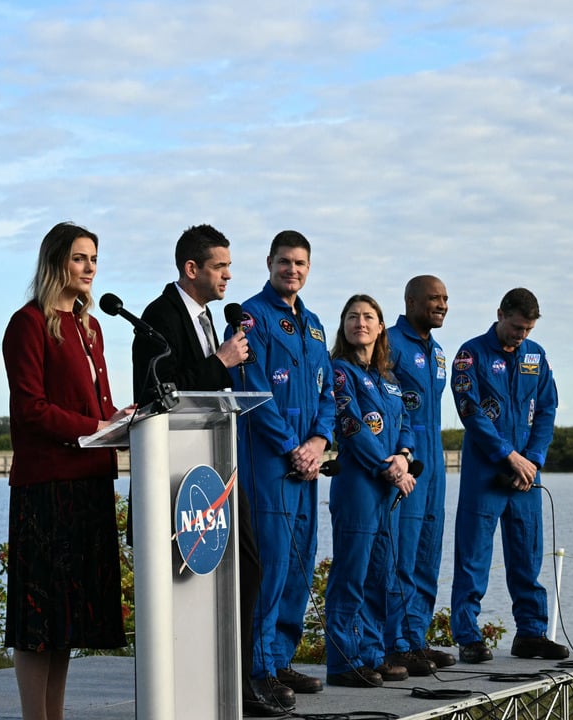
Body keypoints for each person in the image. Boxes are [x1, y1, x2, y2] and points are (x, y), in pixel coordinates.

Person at [131, 224, 287, 716]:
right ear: (191, 268)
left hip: (216, 464)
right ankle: (195, 691)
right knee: (192, 582)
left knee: (247, 567)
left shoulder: (208, 318)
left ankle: (235, 688)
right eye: (220, 266)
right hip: (175, 478)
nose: (228, 276)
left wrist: (223, 365)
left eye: (229, 266)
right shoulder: (159, 317)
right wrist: (221, 360)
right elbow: (157, 391)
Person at [1, 222, 135, 720]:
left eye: (94, 258)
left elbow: (93, 408)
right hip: (47, 488)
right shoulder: (28, 323)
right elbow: (30, 409)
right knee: (40, 622)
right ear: (56, 262)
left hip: (90, 483)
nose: (90, 267)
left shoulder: (90, 326)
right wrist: (96, 426)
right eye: (80, 258)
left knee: (66, 623)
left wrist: (119, 420)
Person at [228, 230, 334, 697]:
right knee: (269, 565)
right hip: (269, 462)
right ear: (269, 263)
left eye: (300, 263)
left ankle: (282, 659)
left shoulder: (315, 325)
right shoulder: (252, 317)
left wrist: (319, 442)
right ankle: (258, 668)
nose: (293, 270)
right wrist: (294, 446)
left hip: (308, 463)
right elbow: (252, 393)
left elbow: (329, 392)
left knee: (299, 562)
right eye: (285, 262)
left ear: (309, 268)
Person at [450, 288, 566, 664]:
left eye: (528, 329)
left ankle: (531, 633)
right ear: (500, 314)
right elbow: (470, 411)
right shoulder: (470, 355)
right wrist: (508, 456)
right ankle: (469, 637)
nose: (521, 335)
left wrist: (532, 459)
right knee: (473, 558)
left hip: (526, 475)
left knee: (527, 556)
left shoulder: (536, 356)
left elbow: (547, 409)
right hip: (486, 472)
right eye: (517, 327)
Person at [324, 294, 415, 687]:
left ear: (380, 327)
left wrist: (405, 457)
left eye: (367, 317)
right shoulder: (340, 372)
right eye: (352, 316)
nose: (360, 322)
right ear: (343, 326)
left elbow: (406, 423)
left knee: (380, 573)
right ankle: (344, 660)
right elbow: (351, 425)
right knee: (352, 573)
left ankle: (373, 653)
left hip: (387, 487)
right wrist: (388, 468)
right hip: (359, 484)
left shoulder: (389, 379)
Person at [386, 276, 455, 672]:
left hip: (435, 464)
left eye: (445, 298)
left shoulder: (439, 352)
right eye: (433, 298)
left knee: (428, 552)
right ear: (411, 301)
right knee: (403, 553)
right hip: (407, 460)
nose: (441, 305)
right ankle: (394, 642)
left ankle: (416, 638)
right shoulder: (390, 344)